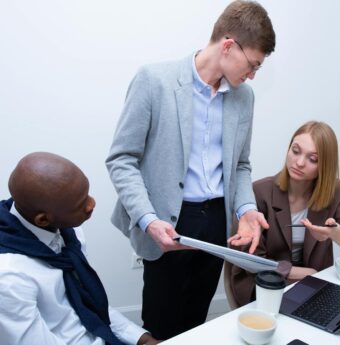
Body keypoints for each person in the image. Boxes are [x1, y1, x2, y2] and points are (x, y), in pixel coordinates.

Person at [105, 0, 275, 340]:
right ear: (228, 45)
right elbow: (122, 159)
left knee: (197, 320)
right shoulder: (154, 80)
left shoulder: (245, 97)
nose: (253, 75)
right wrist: (148, 218)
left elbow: (240, 164)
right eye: (252, 65)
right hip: (166, 221)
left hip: (215, 223)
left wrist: (246, 209)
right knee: (161, 323)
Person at [0, 152, 158, 345]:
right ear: (42, 219)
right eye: (80, 205)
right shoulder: (9, 277)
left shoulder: (68, 234)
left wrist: (141, 338)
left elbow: (90, 300)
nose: (92, 204)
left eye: (87, 194)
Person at [230, 121, 340, 307]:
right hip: (265, 286)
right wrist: (303, 273)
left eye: (312, 159)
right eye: (295, 151)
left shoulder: (333, 191)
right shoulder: (259, 192)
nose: (299, 162)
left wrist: (337, 234)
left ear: (325, 165)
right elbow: (252, 260)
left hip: (314, 291)